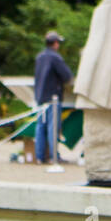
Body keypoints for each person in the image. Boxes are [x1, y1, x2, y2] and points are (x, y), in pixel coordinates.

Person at [33, 31, 73, 165]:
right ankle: (53, 156)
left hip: (40, 97)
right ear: (55, 43)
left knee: (40, 126)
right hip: (53, 97)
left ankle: (39, 156)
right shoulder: (55, 58)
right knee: (53, 127)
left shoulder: (39, 57)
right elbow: (67, 76)